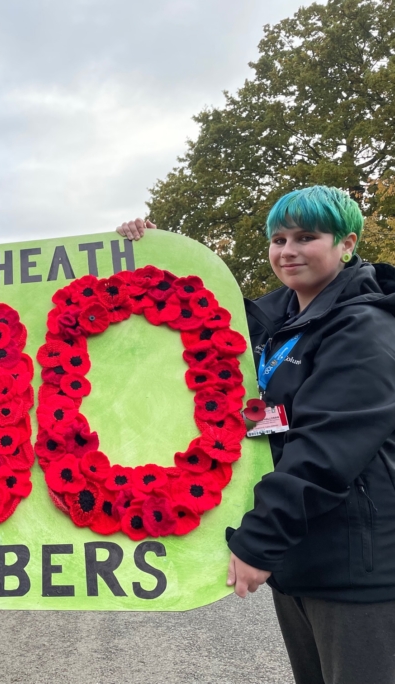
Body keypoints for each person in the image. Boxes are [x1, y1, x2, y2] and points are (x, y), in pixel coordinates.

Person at [117, 185, 395, 684]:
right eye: (278, 238)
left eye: (306, 237)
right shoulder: (278, 321)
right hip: (302, 562)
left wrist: (260, 541)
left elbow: (326, 451)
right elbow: (198, 313)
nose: (287, 251)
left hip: (359, 569)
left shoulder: (364, 329)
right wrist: (155, 252)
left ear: (347, 243)